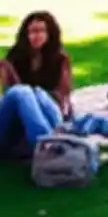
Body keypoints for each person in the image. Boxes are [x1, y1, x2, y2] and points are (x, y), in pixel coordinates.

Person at [0, 12, 72, 157]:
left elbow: (62, 100)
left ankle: (47, 143)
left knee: (32, 93)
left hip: (47, 116)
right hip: (14, 126)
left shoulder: (60, 59)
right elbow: (10, 96)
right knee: (22, 92)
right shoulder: (15, 56)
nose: (36, 36)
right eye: (32, 31)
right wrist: (9, 73)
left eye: (41, 31)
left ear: (50, 33)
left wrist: (35, 95)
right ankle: (47, 147)